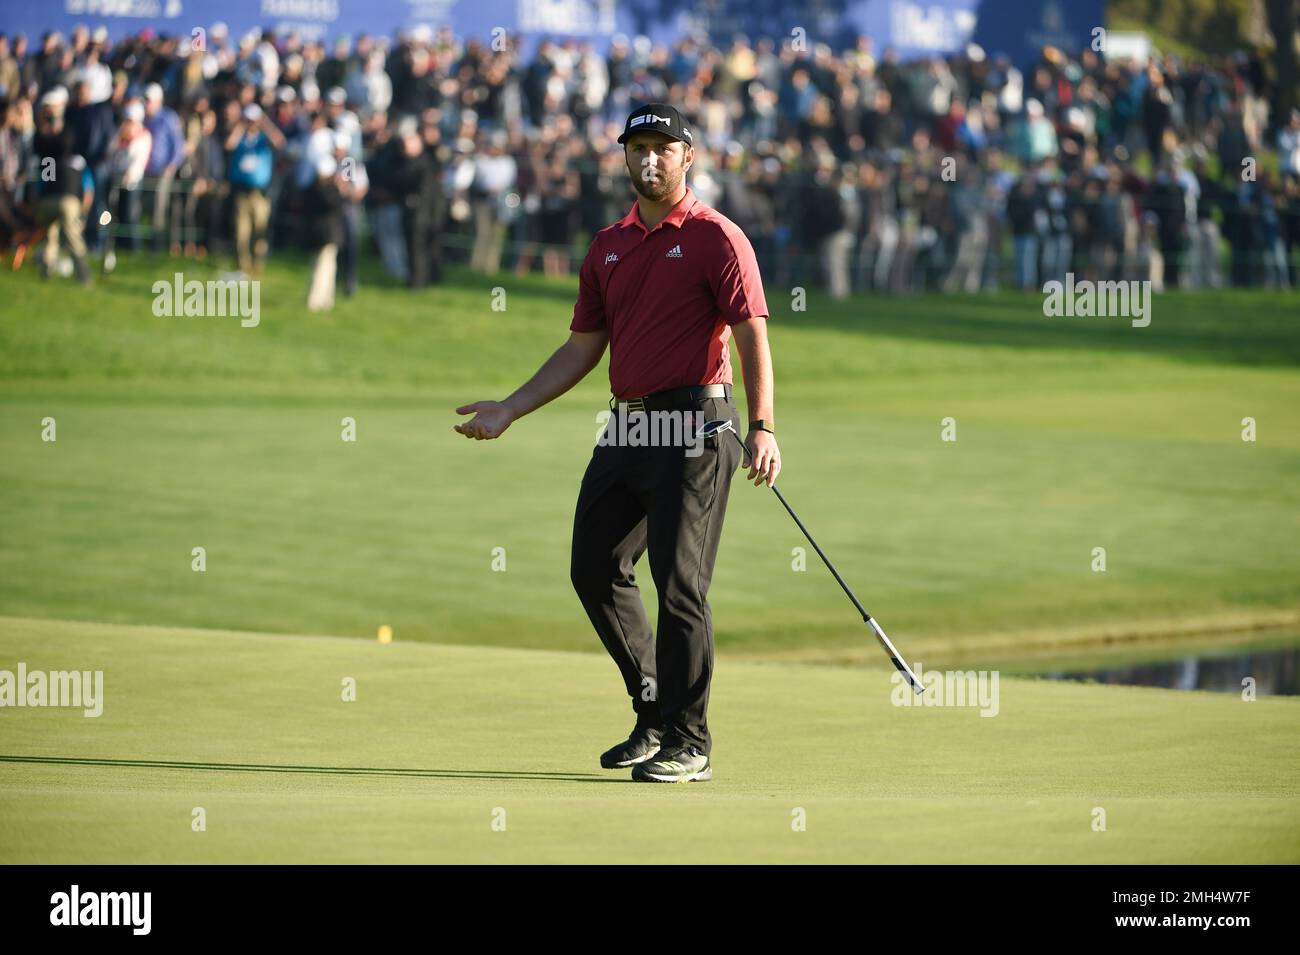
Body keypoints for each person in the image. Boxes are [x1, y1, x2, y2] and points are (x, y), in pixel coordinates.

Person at [454, 103, 778, 784]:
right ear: (625, 157)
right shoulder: (608, 245)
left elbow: (752, 333)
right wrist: (511, 407)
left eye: (663, 148)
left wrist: (763, 425)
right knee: (594, 566)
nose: (650, 159)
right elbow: (582, 349)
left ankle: (690, 741)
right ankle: (654, 710)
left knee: (679, 584)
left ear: (688, 156)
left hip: (697, 423)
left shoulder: (719, 237)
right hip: (628, 424)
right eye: (638, 148)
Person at [225, 104, 283, 274]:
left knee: (260, 231)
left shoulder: (263, 139)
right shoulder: (240, 138)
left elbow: (280, 142)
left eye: (253, 121)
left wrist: (265, 122)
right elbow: (229, 144)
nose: (251, 124)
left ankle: (258, 266)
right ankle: (243, 266)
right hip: (242, 191)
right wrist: (241, 125)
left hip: (260, 193)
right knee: (241, 232)